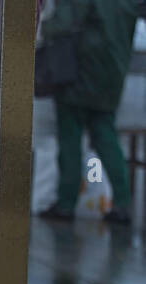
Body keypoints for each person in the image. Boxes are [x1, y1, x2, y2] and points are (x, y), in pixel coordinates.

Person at [37, 0, 138, 224]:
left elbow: (61, 24)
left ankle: (66, 204)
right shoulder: (128, 3)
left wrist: (39, 27)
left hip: (78, 79)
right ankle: (122, 203)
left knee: (70, 143)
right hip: (112, 80)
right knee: (107, 141)